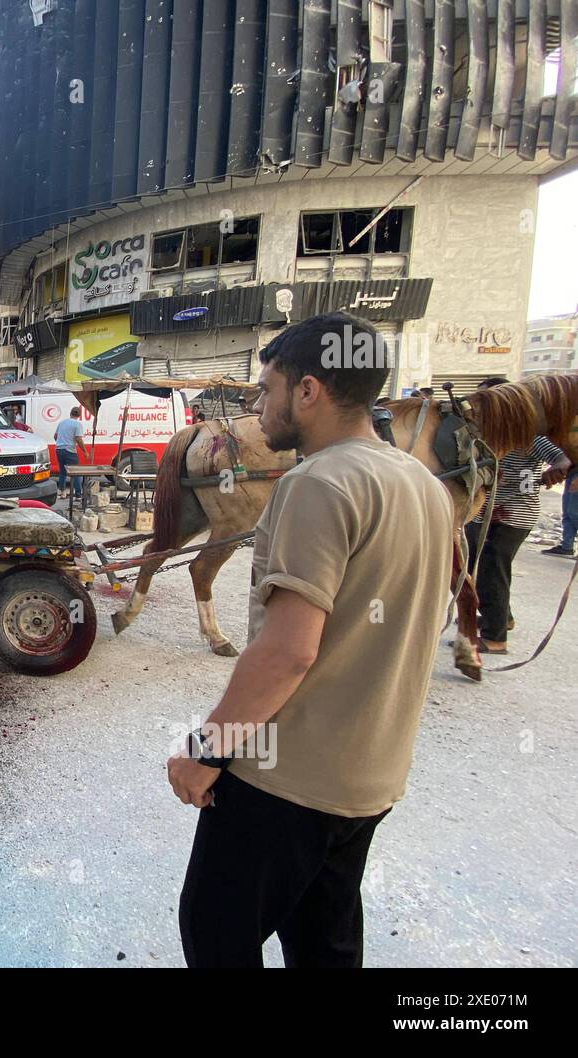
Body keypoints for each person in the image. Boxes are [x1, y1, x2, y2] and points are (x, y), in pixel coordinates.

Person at [167, 313, 455, 968]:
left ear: (309, 391)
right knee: (323, 943)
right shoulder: (425, 488)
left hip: (286, 782)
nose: (259, 407)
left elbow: (287, 650)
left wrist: (204, 750)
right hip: (370, 781)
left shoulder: (316, 483)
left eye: (267, 388)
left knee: (215, 934)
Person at [464, 377, 570, 652]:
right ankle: (501, 617)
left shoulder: (527, 437)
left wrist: (553, 472)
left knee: (492, 569)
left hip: (513, 513)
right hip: (483, 511)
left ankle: (494, 637)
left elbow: (563, 458)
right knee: (477, 566)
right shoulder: (486, 436)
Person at [542, 463, 578, 558]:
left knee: (573, 512)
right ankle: (566, 547)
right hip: (572, 471)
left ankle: (567, 546)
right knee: (567, 512)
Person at [54, 407, 90, 500]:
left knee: (62, 472)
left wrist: (61, 442)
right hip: (70, 451)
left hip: (59, 450)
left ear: (70, 413)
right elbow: (78, 439)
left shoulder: (62, 423)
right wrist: (85, 451)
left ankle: (61, 492)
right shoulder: (77, 425)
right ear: (79, 415)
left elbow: (55, 436)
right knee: (76, 473)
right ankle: (78, 495)